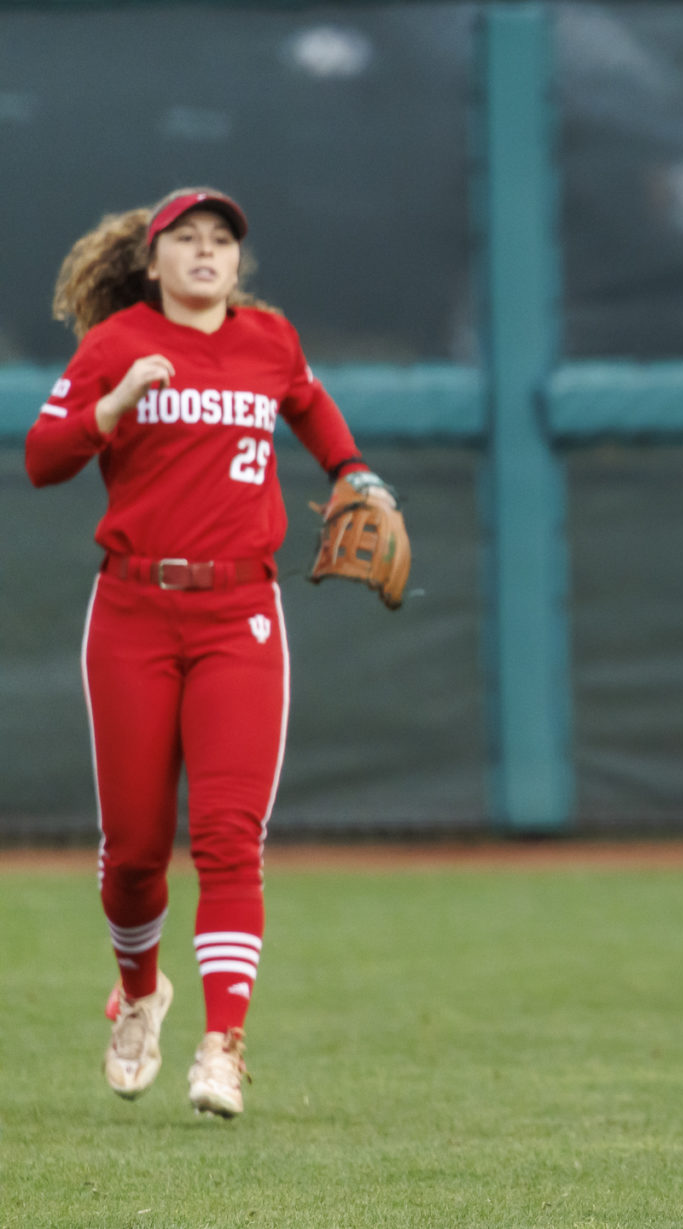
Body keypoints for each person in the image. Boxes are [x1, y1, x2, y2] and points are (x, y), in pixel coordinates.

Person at [25, 187, 401, 1119]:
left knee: (230, 839)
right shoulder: (114, 344)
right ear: (151, 263)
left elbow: (309, 405)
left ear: (239, 263)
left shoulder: (268, 338)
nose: (205, 251)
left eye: (221, 240)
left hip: (241, 611)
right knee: (135, 851)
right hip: (132, 611)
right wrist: (111, 403)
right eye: (185, 239)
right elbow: (41, 457)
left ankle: (223, 1045)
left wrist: (353, 472)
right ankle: (139, 988)